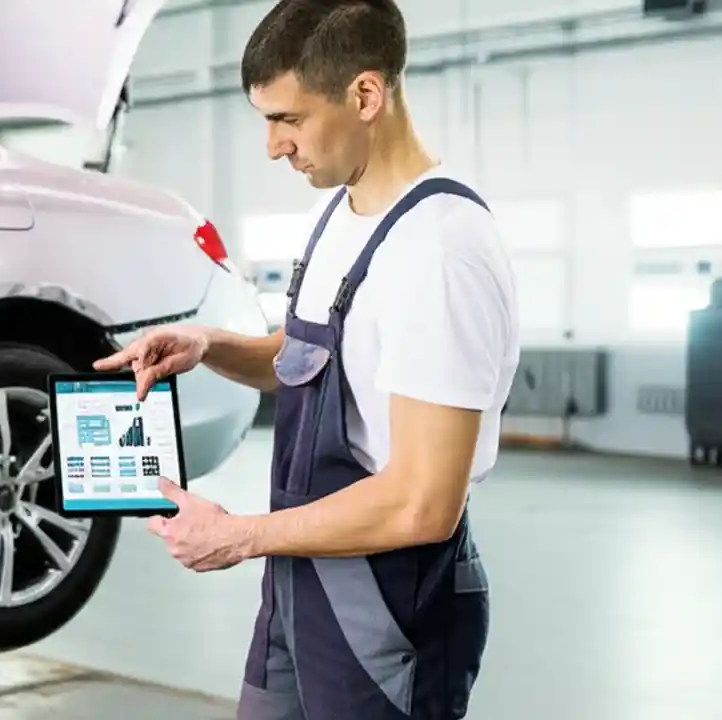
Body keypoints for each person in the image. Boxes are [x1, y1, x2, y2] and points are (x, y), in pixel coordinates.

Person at [94, 1, 520, 718]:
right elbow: (323, 364)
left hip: (388, 600)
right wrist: (212, 346)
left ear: (365, 95)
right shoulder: (346, 213)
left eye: (288, 120)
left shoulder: (439, 252)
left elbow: (424, 502)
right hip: (301, 581)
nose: (272, 146)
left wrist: (240, 536)